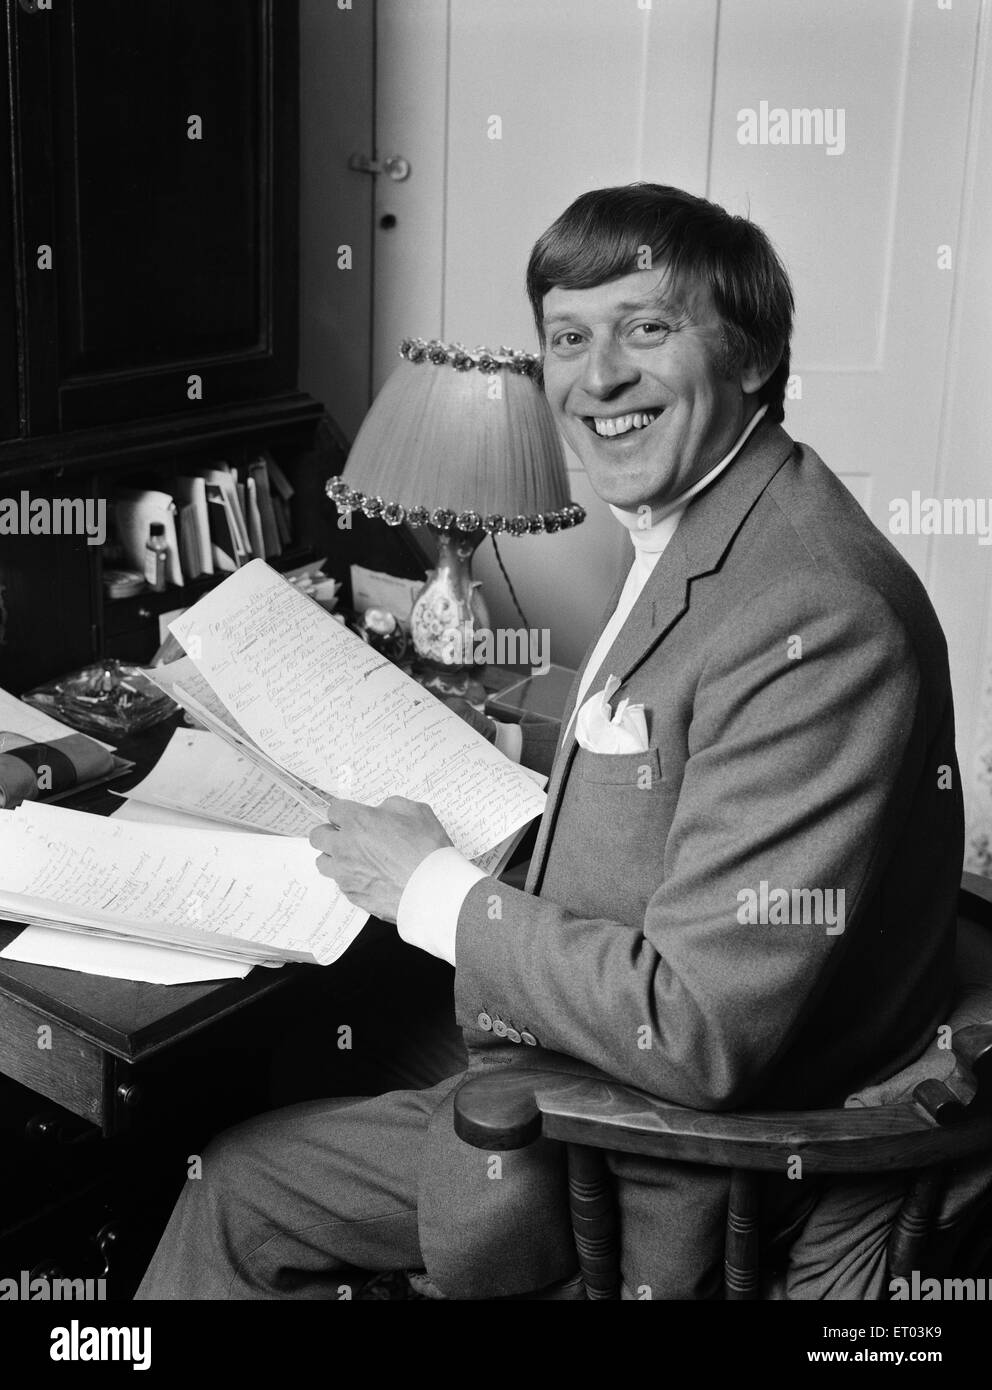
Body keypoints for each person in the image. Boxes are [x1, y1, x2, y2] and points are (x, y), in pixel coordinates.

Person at [137, 184, 963, 1301]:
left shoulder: (812, 614)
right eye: (568, 338)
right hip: (577, 1033)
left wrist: (428, 886)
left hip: (655, 1156)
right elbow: (680, 761)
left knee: (236, 1178)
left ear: (754, 359)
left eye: (646, 328)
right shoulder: (719, 516)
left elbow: (695, 1028)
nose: (598, 377)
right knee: (315, 1036)